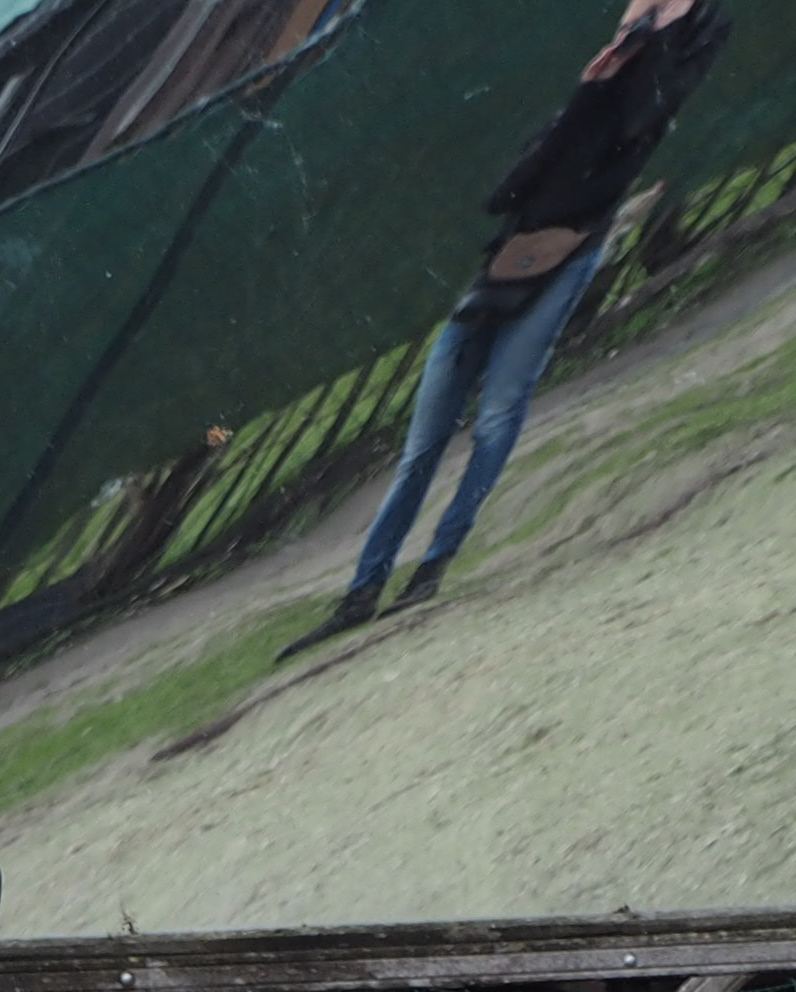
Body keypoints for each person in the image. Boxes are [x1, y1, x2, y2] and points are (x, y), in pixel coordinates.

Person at [285, 0, 727, 655]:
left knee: (497, 415)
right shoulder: (582, 104)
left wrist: (632, 63)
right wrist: (592, 85)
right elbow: (507, 191)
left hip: (567, 254)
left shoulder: (668, 78)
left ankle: (434, 563)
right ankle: (361, 591)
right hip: (502, 270)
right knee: (422, 444)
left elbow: (643, 120)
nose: (630, 25)